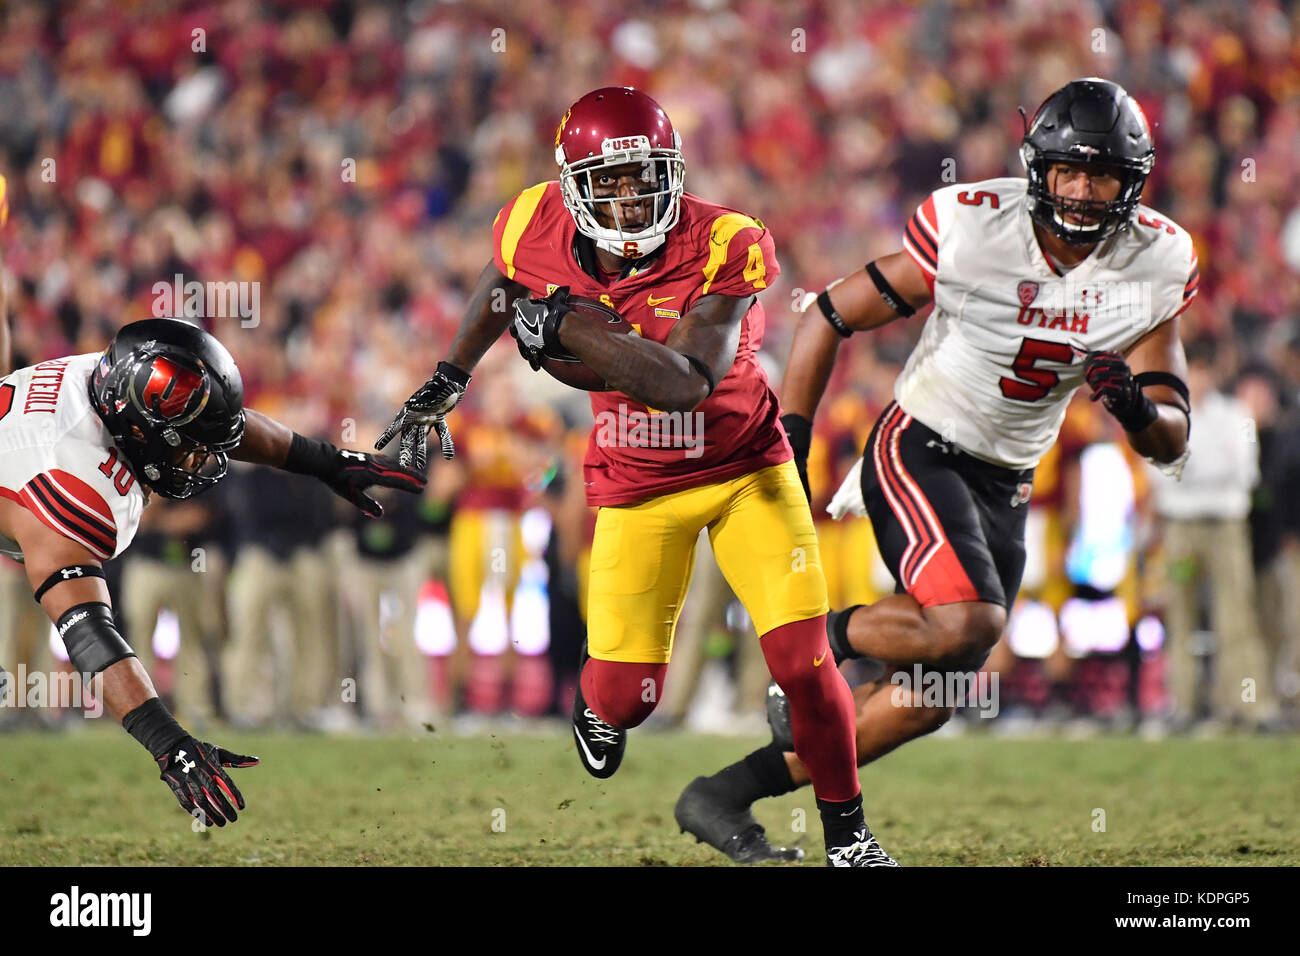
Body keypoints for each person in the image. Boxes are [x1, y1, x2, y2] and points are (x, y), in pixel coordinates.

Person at [677, 77, 1198, 862]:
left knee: (934, 692)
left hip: (1010, 477)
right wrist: (789, 441)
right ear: (1039, 170)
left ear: (1134, 181)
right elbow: (827, 315)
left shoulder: (1157, 262)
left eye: (1104, 176)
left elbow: (1171, 438)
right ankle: (815, 639)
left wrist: (1134, 409)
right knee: (969, 623)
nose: (1085, 192)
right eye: (1069, 172)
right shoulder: (974, 229)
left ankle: (730, 795)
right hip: (921, 439)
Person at [379, 87, 886, 866]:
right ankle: (599, 703)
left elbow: (684, 381)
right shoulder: (530, 220)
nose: (627, 196)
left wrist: (571, 323)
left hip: (744, 466)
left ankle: (850, 841)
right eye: (607, 181)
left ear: (673, 171)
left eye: (643, 175)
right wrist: (450, 374)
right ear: (571, 185)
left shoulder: (728, 239)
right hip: (636, 483)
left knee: (804, 662)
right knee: (627, 697)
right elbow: (499, 282)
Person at [0, 317, 424, 827]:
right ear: (138, 429)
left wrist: (325, 461)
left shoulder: (107, 382)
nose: (201, 459)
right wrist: (168, 744)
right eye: (189, 447)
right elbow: (89, 634)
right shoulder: (69, 483)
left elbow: (224, 425)